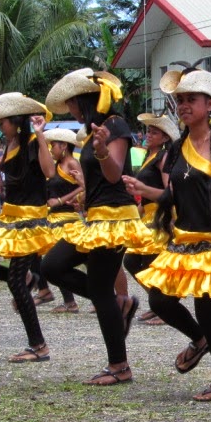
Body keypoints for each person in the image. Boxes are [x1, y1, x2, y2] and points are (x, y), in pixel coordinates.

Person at [135, 68, 211, 401]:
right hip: (185, 239)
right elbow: (173, 193)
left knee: (207, 311)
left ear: (210, 105)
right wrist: (151, 198)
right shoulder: (176, 148)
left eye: (191, 100)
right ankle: (200, 339)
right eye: (180, 100)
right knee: (159, 299)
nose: (184, 105)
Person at [41, 69, 140, 385]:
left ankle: (120, 366)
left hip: (115, 219)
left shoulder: (116, 126)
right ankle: (118, 305)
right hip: (97, 216)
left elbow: (114, 174)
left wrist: (100, 152)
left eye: (72, 102)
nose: (70, 108)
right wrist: (84, 196)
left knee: (97, 290)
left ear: (86, 100)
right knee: (53, 266)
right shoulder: (96, 131)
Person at [0, 94, 58, 363]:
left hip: (30, 220)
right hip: (9, 218)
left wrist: (40, 135)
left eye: (2, 122)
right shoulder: (12, 144)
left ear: (15, 121)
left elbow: (49, 171)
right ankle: (28, 280)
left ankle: (38, 346)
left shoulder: (30, 141)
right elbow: (13, 171)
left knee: (16, 284)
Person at [122, 112, 177, 324]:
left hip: (160, 215)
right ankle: (157, 303)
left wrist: (171, 216)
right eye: (148, 131)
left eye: (154, 132)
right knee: (132, 261)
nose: (148, 135)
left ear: (164, 138)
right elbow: (143, 196)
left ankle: (165, 307)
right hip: (147, 216)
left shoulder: (163, 158)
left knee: (151, 263)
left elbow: (169, 189)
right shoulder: (149, 157)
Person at [38, 128, 84, 314]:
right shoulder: (54, 166)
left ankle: (78, 300)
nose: (51, 149)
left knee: (63, 260)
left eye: (53, 146)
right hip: (52, 219)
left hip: (68, 219)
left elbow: (83, 186)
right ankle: (68, 300)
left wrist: (61, 200)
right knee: (50, 259)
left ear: (64, 146)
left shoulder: (72, 163)